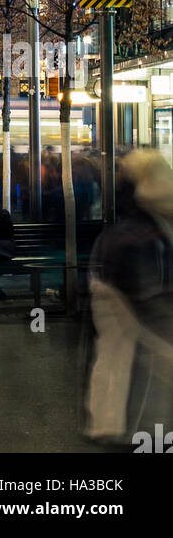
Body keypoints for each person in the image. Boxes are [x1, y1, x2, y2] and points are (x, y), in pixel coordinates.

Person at [84, 150, 173, 446]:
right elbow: (148, 302)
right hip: (134, 396)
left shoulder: (126, 231)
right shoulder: (139, 235)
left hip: (111, 288)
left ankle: (117, 429)